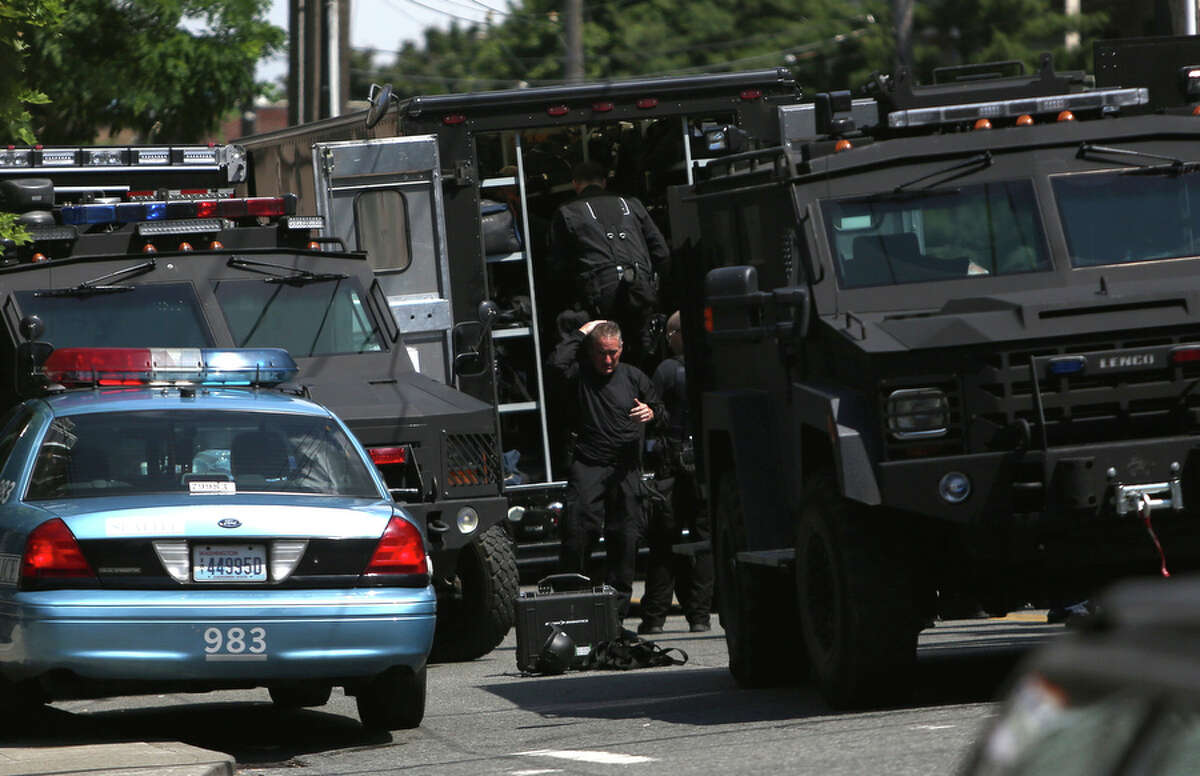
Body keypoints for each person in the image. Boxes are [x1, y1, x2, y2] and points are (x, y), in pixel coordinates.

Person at [547, 318, 664, 619]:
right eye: (601, 352)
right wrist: (583, 331)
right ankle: (571, 607)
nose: (608, 359)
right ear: (591, 351)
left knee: (625, 539)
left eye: (613, 352)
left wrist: (651, 413)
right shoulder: (581, 375)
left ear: (622, 349)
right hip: (589, 465)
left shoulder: (634, 377)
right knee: (577, 532)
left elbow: (663, 413)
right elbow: (556, 364)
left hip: (626, 469)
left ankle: (616, 617)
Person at [548, 160, 670, 367]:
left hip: (600, 297)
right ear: (604, 182)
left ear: (575, 184)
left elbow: (558, 267)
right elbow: (662, 252)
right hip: (641, 289)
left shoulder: (567, 211)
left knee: (603, 355)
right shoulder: (631, 203)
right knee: (644, 350)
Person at [638, 311, 713, 634]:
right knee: (704, 540)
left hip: (670, 464)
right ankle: (700, 616)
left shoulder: (667, 370)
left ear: (677, 335)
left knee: (663, 541)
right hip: (701, 464)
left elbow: (653, 415)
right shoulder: (710, 367)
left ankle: (655, 618)